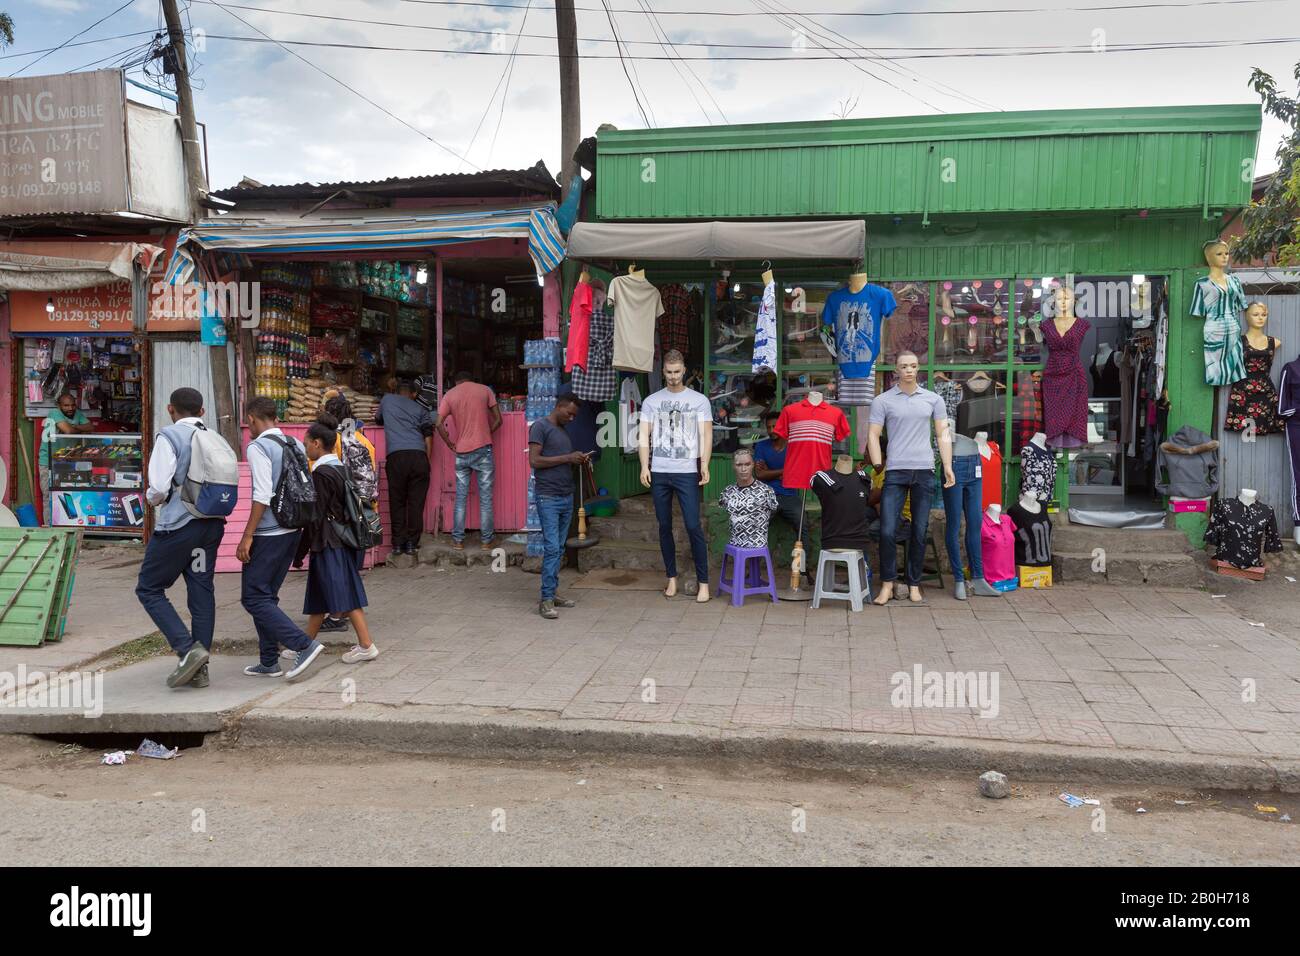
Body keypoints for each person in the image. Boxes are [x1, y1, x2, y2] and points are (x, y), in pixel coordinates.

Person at [134, 387, 227, 689]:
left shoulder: (169, 437)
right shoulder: (214, 437)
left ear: (170, 409)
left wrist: (151, 499)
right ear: (202, 411)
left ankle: (188, 651)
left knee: (149, 588)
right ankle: (201, 671)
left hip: (178, 527)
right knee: (201, 593)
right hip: (211, 525)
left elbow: (159, 487)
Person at [236, 397, 325, 680]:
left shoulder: (258, 447)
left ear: (251, 418)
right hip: (293, 530)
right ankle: (268, 661)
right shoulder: (294, 442)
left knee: (253, 598)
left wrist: (247, 536)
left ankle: (303, 644)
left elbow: (262, 494)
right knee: (266, 597)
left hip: (269, 533)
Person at [866, 351, 955, 605]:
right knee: (887, 529)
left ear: (918, 368)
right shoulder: (883, 400)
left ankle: (914, 583)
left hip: (924, 469)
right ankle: (887, 584)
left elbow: (943, 433)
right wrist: (877, 462)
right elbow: (873, 434)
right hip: (895, 470)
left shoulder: (933, 399)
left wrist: (947, 465)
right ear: (896, 369)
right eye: (904, 366)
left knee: (919, 529)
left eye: (913, 366)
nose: (908, 370)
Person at [296, 417, 379, 663]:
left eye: (307, 443)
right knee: (321, 596)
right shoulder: (341, 468)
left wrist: (299, 551)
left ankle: (366, 645)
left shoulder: (321, 473)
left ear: (317, 443)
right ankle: (303, 645)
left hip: (328, 541)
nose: (305, 448)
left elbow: (316, 517)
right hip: (342, 539)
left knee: (344, 594)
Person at [638, 349, 713, 602]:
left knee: (693, 525)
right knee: (664, 526)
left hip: (686, 472)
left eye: (677, 372)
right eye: (669, 372)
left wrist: (705, 464)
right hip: (659, 470)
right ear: (663, 372)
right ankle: (671, 578)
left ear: (684, 370)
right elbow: (643, 437)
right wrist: (644, 466)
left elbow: (707, 435)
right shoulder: (651, 401)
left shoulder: (699, 400)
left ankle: (704, 583)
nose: (672, 377)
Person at [314, 392, 378, 633]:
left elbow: (332, 478)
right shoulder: (363, 439)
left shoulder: (335, 442)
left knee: (339, 565)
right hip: (364, 511)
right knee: (353, 564)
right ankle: (347, 611)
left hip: (342, 513)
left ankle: (338, 614)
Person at [528, 393, 588, 619]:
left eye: (574, 415)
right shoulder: (540, 427)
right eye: (569, 413)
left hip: (566, 496)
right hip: (549, 497)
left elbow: (564, 459)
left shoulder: (563, 431)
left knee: (559, 548)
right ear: (559, 406)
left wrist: (578, 459)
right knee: (552, 548)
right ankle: (545, 600)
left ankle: (553, 593)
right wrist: (567, 458)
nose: (572, 418)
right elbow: (534, 461)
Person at [437, 370, 502, 551]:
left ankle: (458, 541)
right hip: (483, 449)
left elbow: (438, 423)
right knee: (486, 498)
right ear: (471, 379)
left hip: (462, 452)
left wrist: (450, 443)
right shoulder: (484, 390)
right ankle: (486, 541)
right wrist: (486, 434)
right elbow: (498, 419)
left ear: (456, 381)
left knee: (460, 498)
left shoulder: (449, 395)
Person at [375, 378, 433, 556]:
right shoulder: (422, 410)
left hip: (396, 456)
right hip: (418, 456)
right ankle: (411, 545)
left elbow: (378, 420)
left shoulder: (386, 400)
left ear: (396, 391)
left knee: (397, 501)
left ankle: (398, 545)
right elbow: (428, 437)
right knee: (416, 503)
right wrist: (426, 460)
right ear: (414, 394)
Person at [752, 409, 810, 557]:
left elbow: (798, 473)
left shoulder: (794, 446)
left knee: (802, 523)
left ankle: (803, 569)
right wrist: (785, 472)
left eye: (775, 426)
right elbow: (759, 474)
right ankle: (754, 568)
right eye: (769, 427)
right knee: (757, 525)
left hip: (789, 495)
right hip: (767, 495)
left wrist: (771, 472)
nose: (772, 430)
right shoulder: (761, 446)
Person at [39, 390, 92, 522]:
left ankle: (67, 524)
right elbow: (67, 430)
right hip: (49, 462)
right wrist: (77, 427)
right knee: (49, 495)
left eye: (73, 405)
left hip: (67, 461)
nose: (70, 408)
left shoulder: (77, 414)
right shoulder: (54, 413)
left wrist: (74, 426)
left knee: (68, 494)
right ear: (59, 406)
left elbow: (90, 426)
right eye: (66, 405)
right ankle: (49, 527)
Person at [719, 448, 778, 548]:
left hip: (758, 543)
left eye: (747, 464)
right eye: (739, 465)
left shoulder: (766, 491)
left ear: (753, 464)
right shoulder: (727, 492)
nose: (743, 469)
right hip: (734, 542)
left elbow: (773, 509)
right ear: (733, 466)